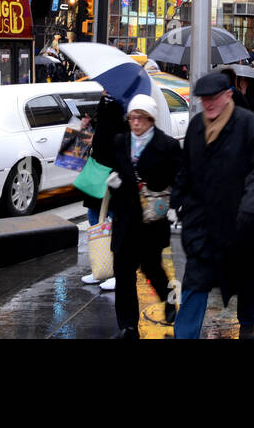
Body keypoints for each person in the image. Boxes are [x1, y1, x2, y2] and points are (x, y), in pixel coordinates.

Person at [172, 72, 254, 339]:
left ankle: (247, 326)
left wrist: (250, 207)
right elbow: (186, 167)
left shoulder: (248, 124)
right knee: (195, 282)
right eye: (203, 100)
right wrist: (177, 199)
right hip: (203, 223)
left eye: (212, 99)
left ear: (228, 96)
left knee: (247, 280)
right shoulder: (197, 125)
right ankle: (184, 335)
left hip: (241, 222)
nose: (207, 105)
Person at [107, 93, 181, 338]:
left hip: (151, 220)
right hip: (125, 218)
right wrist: (113, 183)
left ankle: (170, 302)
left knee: (153, 268)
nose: (136, 123)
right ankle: (128, 325)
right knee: (123, 274)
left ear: (151, 119)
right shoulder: (120, 141)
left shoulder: (168, 145)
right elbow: (104, 162)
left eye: (141, 118)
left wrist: (175, 206)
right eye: (132, 117)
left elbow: (178, 178)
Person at [74, 94, 126, 291]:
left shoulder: (125, 106)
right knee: (95, 220)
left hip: (113, 174)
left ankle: (117, 271)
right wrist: (86, 125)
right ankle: (100, 267)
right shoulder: (104, 104)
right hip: (96, 172)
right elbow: (89, 139)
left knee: (114, 223)